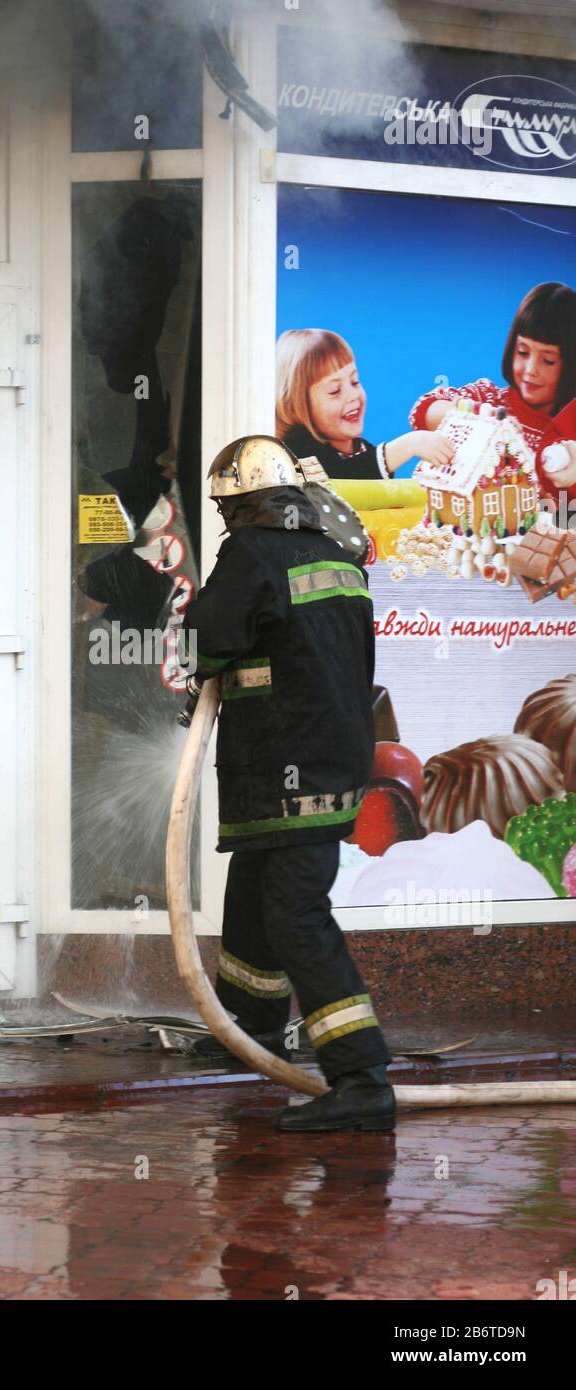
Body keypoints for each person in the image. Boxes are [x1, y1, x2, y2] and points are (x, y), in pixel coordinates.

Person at [180, 435, 395, 1132]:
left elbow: (210, 638)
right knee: (254, 891)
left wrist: (199, 653)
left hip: (281, 760)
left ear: (246, 506)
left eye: (228, 508)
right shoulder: (337, 555)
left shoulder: (251, 553)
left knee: (296, 914)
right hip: (332, 760)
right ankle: (251, 1031)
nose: (225, 522)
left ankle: (361, 1077)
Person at [409, 281, 576, 452]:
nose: (530, 369)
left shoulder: (569, 428)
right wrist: (482, 417)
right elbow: (423, 409)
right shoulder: (488, 398)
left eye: (548, 360)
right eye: (523, 352)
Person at [276, 328, 453, 480]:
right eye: (335, 390)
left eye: (354, 382)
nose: (352, 395)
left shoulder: (362, 448)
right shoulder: (297, 449)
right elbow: (341, 478)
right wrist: (408, 445)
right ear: (298, 404)